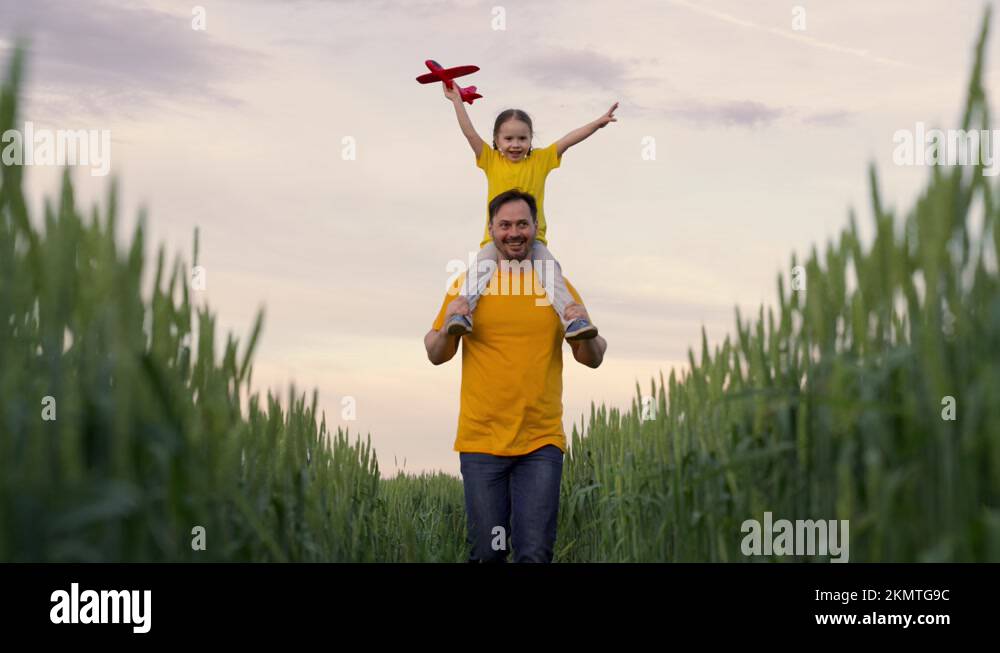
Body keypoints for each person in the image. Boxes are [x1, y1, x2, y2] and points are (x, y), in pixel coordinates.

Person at [424, 189, 607, 562]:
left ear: (535, 228)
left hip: (540, 443)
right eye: (505, 225)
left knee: (535, 553)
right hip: (481, 442)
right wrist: (447, 328)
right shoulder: (469, 286)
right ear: (491, 229)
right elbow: (435, 354)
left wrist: (583, 326)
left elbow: (594, 356)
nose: (514, 232)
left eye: (522, 224)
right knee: (488, 554)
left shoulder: (555, 285)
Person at [440, 80, 617, 341]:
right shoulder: (490, 160)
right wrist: (457, 101)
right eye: (508, 138)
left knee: (551, 272)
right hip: (495, 242)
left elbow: (569, 139)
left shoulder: (541, 160)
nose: (515, 144)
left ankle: (572, 320)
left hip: (533, 242)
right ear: (497, 141)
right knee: (479, 270)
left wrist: (597, 123)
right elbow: (469, 133)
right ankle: (462, 314)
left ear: (530, 140)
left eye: (522, 138)